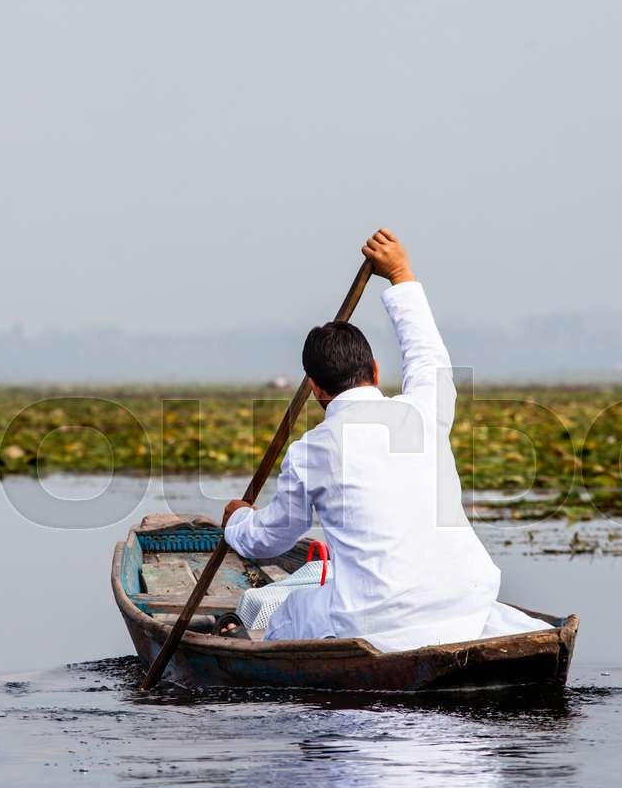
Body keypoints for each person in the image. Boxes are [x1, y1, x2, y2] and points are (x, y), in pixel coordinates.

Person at [221, 228, 529, 651]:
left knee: (291, 612)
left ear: (316, 390)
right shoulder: (423, 411)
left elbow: (270, 539)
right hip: (465, 598)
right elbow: (427, 356)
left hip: (378, 618)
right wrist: (401, 274)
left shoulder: (312, 450)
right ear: (376, 372)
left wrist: (236, 521)